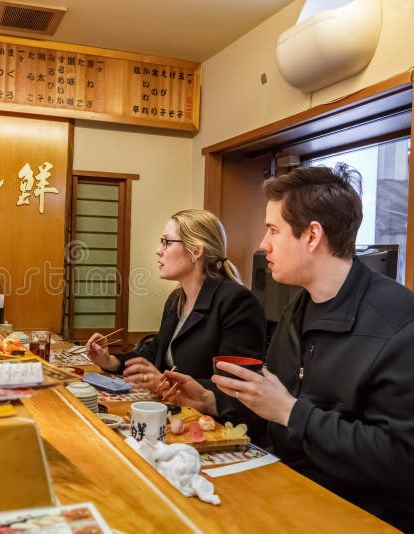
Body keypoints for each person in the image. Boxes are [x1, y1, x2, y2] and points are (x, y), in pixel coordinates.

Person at [161, 164, 414, 531]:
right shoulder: (298, 308)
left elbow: (402, 461)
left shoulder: (397, 322)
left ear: (312, 235)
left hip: (355, 516)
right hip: (281, 490)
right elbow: (274, 407)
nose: (263, 244)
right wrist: (212, 400)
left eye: (273, 230)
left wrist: (292, 412)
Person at [85, 209, 265, 409]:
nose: (158, 250)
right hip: (173, 409)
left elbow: (234, 385)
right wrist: (110, 361)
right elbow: (155, 354)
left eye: (167, 242)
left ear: (196, 251)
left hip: (213, 423)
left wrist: (165, 383)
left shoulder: (237, 302)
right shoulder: (176, 299)